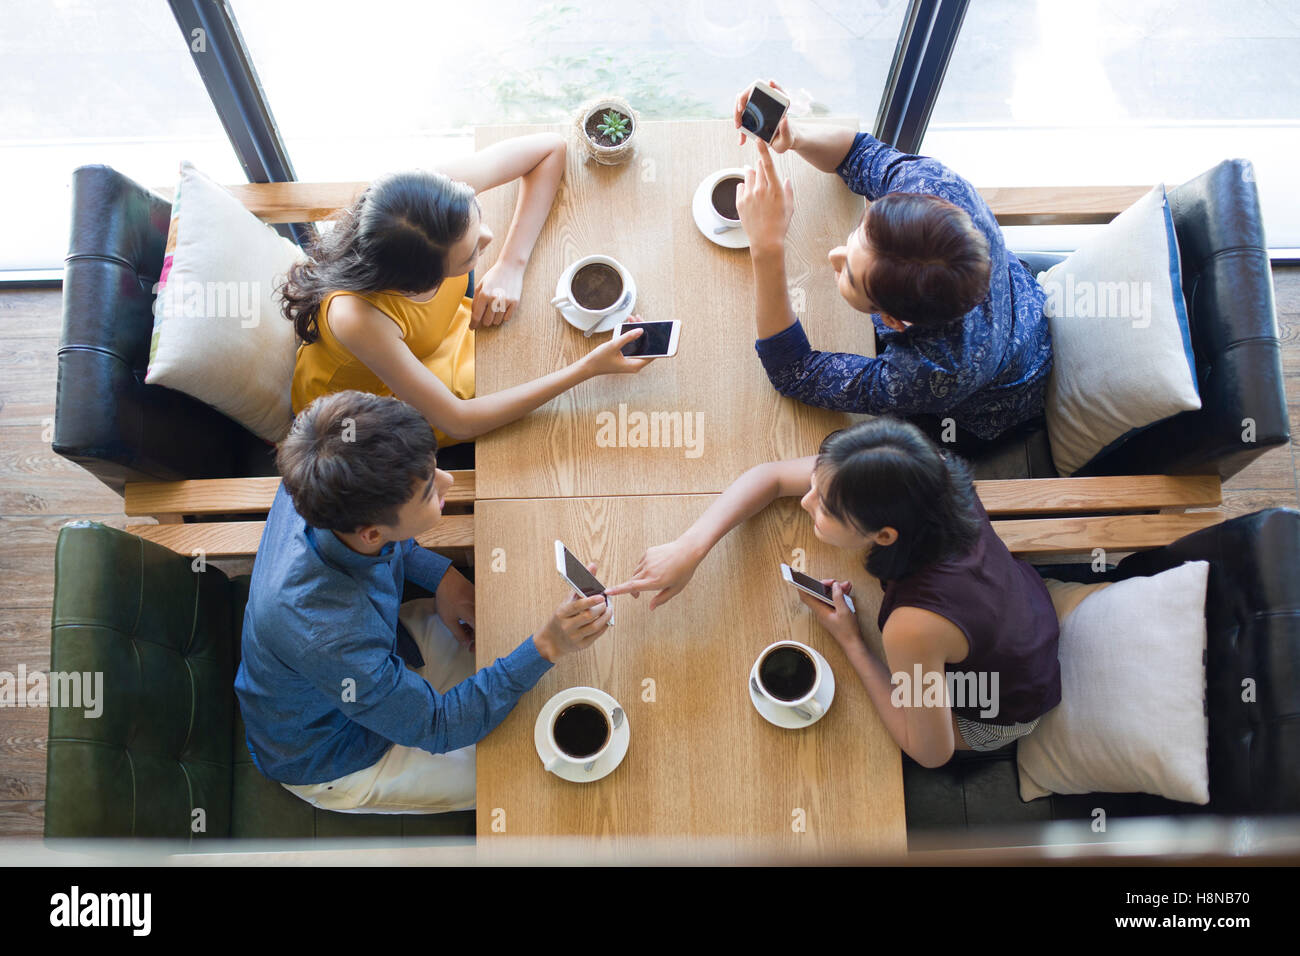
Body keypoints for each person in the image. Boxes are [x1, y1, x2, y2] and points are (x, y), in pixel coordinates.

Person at [235, 391, 614, 813]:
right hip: (331, 751)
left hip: (379, 653)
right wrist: (548, 645)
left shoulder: (323, 461)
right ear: (372, 534)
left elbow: (382, 541)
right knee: (540, 761)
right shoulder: (325, 632)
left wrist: (442, 576)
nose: (449, 482)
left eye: (433, 468)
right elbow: (440, 724)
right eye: (429, 491)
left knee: (551, 676)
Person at [606, 417, 1061, 767]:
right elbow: (772, 477)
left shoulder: (913, 626)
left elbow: (931, 753)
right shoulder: (927, 473)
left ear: (884, 536)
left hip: (1003, 707)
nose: (805, 502)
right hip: (1022, 610)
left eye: (824, 507)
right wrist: (691, 546)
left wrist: (851, 641)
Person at [281, 133, 652, 462]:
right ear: (419, 281)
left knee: (533, 344)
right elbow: (458, 420)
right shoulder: (357, 318)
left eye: (477, 215)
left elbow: (549, 149)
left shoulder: (425, 204)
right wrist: (588, 369)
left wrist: (511, 264)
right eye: (472, 254)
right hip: (377, 398)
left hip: (435, 341)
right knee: (540, 369)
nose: (488, 237)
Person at [732, 80, 1052, 448]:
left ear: (894, 322)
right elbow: (857, 153)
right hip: (1021, 309)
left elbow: (794, 372)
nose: (833, 256)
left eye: (849, 276)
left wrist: (767, 247)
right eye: (860, 233)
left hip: (984, 406)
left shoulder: (930, 372)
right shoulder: (933, 186)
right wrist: (795, 136)